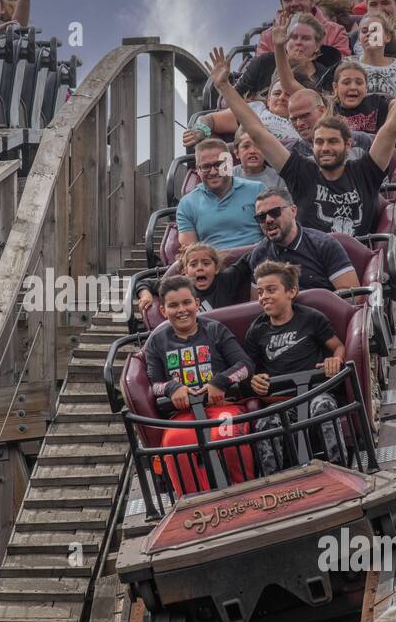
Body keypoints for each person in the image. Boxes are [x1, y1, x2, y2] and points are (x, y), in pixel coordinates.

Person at [212, 33, 396, 238]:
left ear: (348, 144)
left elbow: (391, 127)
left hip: (357, 260)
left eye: (332, 141)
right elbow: (257, 132)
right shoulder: (301, 173)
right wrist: (225, 87)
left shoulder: (365, 171)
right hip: (312, 257)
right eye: (319, 142)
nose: (325, 147)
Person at [142, 275, 255, 494]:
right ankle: (195, 502)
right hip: (184, 415)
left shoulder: (215, 329)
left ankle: (244, 492)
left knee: (229, 434)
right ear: (164, 311)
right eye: (173, 305)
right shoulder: (156, 341)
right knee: (175, 444)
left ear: (196, 303)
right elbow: (154, 384)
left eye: (186, 303)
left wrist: (220, 381)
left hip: (222, 406)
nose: (182, 310)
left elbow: (245, 365)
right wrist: (171, 388)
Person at [244, 261, 346, 474]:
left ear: (291, 291)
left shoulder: (311, 318)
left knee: (324, 407)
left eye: (271, 290)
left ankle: (340, 470)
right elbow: (249, 370)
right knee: (265, 423)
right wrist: (254, 380)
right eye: (260, 292)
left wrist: (334, 360)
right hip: (283, 401)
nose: (264, 297)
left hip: (314, 393)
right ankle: (275, 483)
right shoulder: (257, 330)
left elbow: (337, 347)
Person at [244, 188, 359, 293]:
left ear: (293, 211)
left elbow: (353, 295)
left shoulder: (325, 245)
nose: (268, 220)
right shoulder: (259, 254)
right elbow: (257, 305)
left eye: (275, 212)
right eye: (261, 217)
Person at [174, 138, 264, 250]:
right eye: (206, 166)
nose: (213, 172)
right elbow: (190, 252)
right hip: (214, 264)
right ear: (197, 169)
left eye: (219, 164)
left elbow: (272, 236)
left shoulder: (257, 190)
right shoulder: (187, 204)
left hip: (256, 261)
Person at [134, 241, 255, 320]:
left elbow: (252, 256)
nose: (200, 268)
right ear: (185, 271)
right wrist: (146, 296)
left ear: (216, 268)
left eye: (206, 263)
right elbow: (143, 283)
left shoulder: (228, 278)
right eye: (193, 265)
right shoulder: (180, 285)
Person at [236, 13, 337, 98]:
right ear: (285, 41)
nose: (298, 42)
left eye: (305, 38)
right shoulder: (264, 62)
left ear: (317, 46)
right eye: (293, 37)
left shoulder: (326, 76)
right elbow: (233, 99)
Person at [255, 0, 349, 57]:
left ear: (312, 1)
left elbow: (341, 70)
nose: (294, 3)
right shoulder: (268, 37)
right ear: (282, 5)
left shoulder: (335, 32)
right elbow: (261, 72)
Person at [183, 79, 295, 146]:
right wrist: (202, 129)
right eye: (277, 93)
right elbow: (210, 119)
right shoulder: (256, 109)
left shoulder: (303, 118)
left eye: (288, 94)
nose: (282, 98)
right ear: (269, 100)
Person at [354, 13, 396, 99]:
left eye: (374, 30)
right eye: (364, 31)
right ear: (359, 39)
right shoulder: (348, 64)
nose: (368, 34)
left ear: (387, 37)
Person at [328, 58, 390, 134]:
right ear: (335, 87)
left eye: (359, 83)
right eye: (346, 83)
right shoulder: (328, 109)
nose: (353, 87)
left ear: (366, 87)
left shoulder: (377, 102)